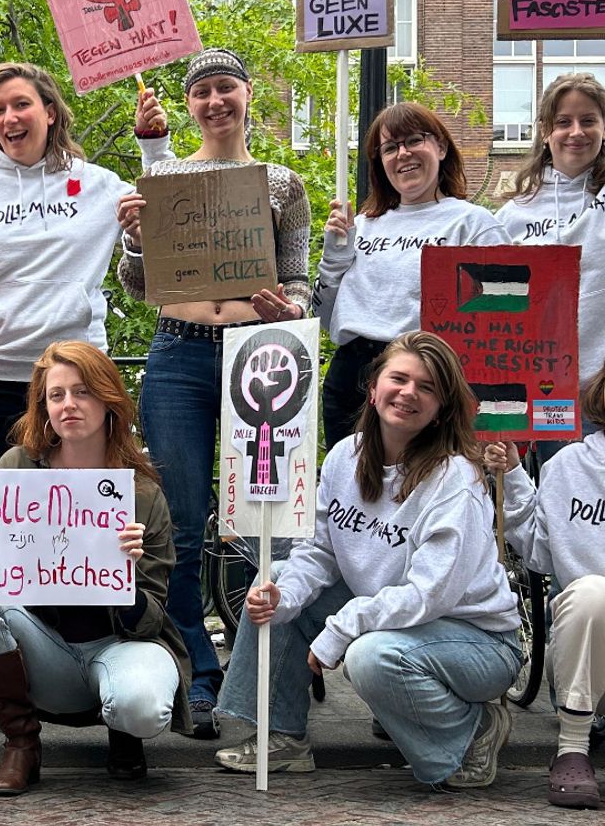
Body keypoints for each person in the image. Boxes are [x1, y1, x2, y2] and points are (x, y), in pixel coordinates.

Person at [215, 331, 521, 788]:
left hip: (477, 641)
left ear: (442, 409)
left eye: (427, 387)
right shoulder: (345, 456)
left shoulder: (455, 479)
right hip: (394, 615)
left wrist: (340, 629)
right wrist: (287, 595)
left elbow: (427, 595)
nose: (408, 393)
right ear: (374, 388)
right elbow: (318, 551)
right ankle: (283, 735)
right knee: (276, 579)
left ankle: (473, 729)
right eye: (398, 378)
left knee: (370, 655)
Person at [114, 47, 311, 737]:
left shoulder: (282, 183)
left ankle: (277, 666)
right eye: (201, 92)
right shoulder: (166, 178)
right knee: (184, 520)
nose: (214, 101)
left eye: (225, 87)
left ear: (248, 94)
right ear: (190, 105)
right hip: (178, 356)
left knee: (270, 520)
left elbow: (299, 278)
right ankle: (198, 671)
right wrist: (136, 240)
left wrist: (291, 311)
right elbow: (139, 288)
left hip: (258, 356)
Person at [0, 341, 192, 796]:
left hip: (119, 646)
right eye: (56, 395)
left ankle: (126, 734)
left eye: (82, 392)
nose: (69, 404)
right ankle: (21, 744)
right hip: (44, 649)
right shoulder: (17, 467)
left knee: (144, 706)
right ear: (44, 406)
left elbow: (153, 617)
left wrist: (126, 577)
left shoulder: (142, 492)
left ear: (108, 399)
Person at [0, 61, 171, 469]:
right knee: (10, 514)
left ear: (50, 112)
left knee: (79, 508)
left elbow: (166, 210)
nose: (9, 118)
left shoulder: (97, 184)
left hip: (79, 375)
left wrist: (154, 145)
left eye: (21, 104)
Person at [313, 102, 510, 450]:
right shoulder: (362, 225)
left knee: (421, 485)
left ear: (441, 147)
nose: (402, 154)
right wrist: (333, 257)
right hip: (352, 376)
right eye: (390, 148)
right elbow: (326, 319)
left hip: (422, 378)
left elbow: (501, 319)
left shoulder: (473, 223)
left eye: (414, 140)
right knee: (354, 490)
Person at [485, 365, 605, 810]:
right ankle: (572, 748)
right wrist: (514, 474)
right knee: (593, 592)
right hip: (586, 650)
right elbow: (537, 554)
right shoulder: (569, 466)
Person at [496, 72, 605, 436]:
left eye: (588, 120)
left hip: (602, 384)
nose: (576, 131)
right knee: (558, 485)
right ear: (545, 131)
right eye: (563, 122)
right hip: (547, 390)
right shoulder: (513, 214)